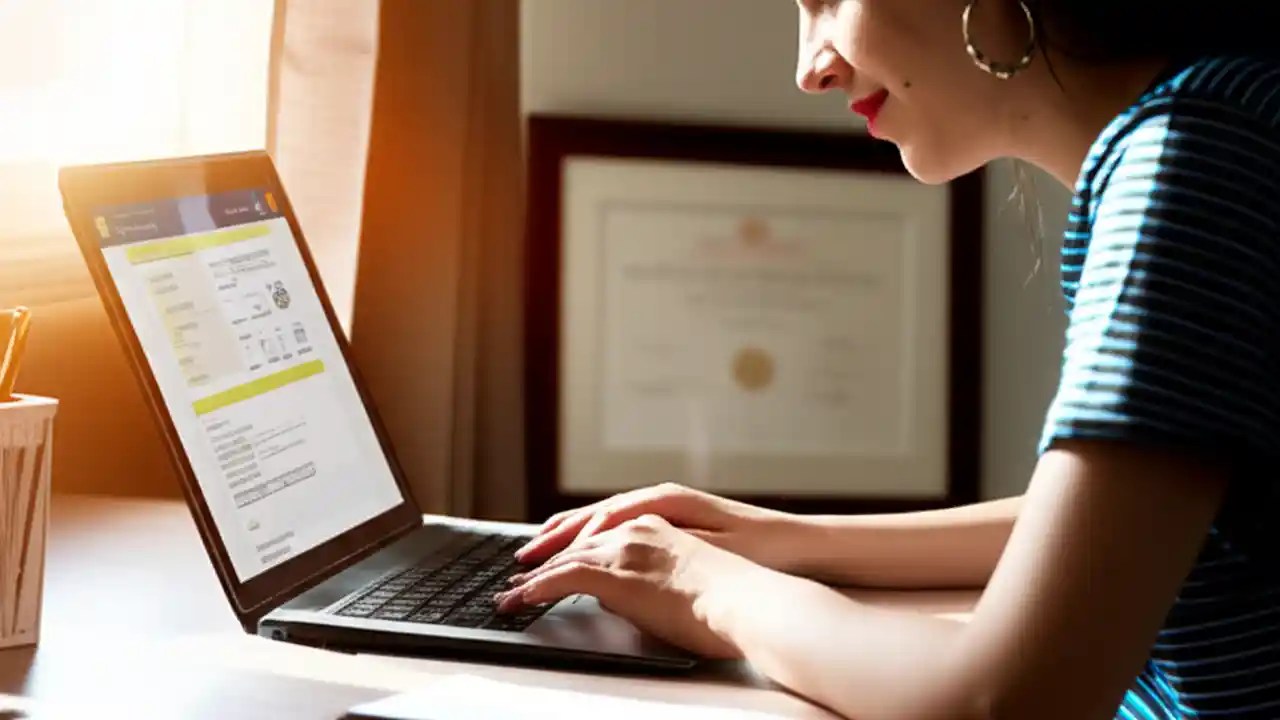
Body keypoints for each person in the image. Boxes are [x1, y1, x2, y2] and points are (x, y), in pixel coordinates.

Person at [494, 1, 1280, 717]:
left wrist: (706, 590)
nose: (811, 68)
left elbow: (1006, 698)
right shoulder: (1228, 123)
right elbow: (1122, 531)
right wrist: (791, 540)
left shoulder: (1194, 157)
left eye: (828, 2)